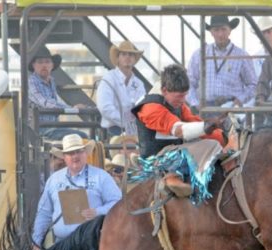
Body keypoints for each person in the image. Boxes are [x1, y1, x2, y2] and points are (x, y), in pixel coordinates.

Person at [131, 64, 226, 196]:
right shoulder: (149, 107)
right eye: (179, 96)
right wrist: (208, 126)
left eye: (185, 95)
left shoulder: (176, 103)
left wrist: (224, 136)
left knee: (214, 143)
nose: (183, 100)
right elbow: (180, 130)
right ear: (164, 91)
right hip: (157, 158)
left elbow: (192, 122)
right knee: (212, 145)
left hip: (174, 152)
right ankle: (172, 177)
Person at [186, 16, 257, 111]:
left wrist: (240, 100)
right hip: (205, 108)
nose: (220, 34)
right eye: (216, 30)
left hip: (232, 108)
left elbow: (253, 85)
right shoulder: (199, 54)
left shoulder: (242, 56)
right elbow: (189, 83)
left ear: (230, 30)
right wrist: (195, 103)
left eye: (223, 29)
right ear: (211, 32)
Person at [28, 48, 88, 140]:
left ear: (52, 65)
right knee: (81, 137)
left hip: (52, 127)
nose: (44, 65)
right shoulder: (31, 82)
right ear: (34, 65)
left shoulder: (51, 81)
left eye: (47, 62)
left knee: (79, 137)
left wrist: (72, 108)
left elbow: (52, 105)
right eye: (40, 62)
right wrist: (72, 108)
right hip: (40, 129)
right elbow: (45, 103)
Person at [96, 41, 147, 137]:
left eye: (131, 54)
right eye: (123, 54)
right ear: (118, 59)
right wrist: (126, 122)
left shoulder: (139, 84)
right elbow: (105, 108)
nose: (127, 57)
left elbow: (143, 108)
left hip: (134, 130)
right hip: (113, 130)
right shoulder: (108, 79)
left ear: (134, 59)